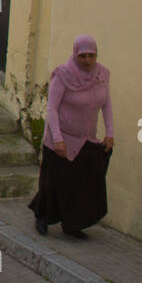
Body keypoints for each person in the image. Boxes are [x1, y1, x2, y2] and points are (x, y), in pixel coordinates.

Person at [29, 35, 114, 238]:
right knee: (53, 183)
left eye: (91, 55)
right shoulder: (63, 75)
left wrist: (110, 133)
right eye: (82, 55)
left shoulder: (102, 74)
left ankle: (72, 224)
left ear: (96, 55)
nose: (87, 60)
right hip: (61, 139)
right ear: (75, 54)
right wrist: (57, 139)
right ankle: (42, 217)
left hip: (86, 138)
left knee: (83, 183)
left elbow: (106, 105)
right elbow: (52, 108)